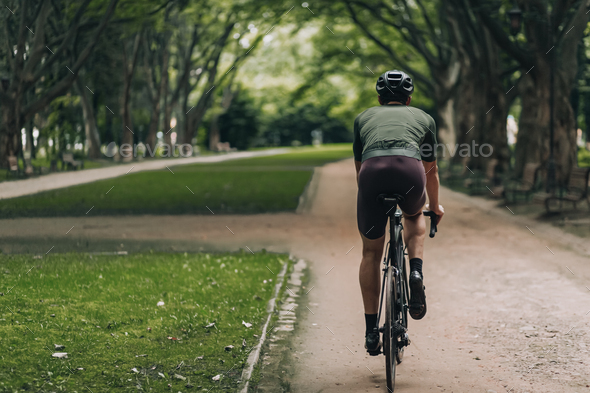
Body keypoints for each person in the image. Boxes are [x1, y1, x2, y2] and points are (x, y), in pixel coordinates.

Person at [353, 70, 444, 355]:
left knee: (370, 253)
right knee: (414, 216)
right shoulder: (424, 119)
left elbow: (359, 168)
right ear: (409, 98)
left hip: (372, 174)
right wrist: (435, 205)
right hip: (410, 171)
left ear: (379, 98)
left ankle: (370, 332)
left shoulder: (363, 118)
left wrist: (371, 198)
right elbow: (431, 169)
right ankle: (415, 272)